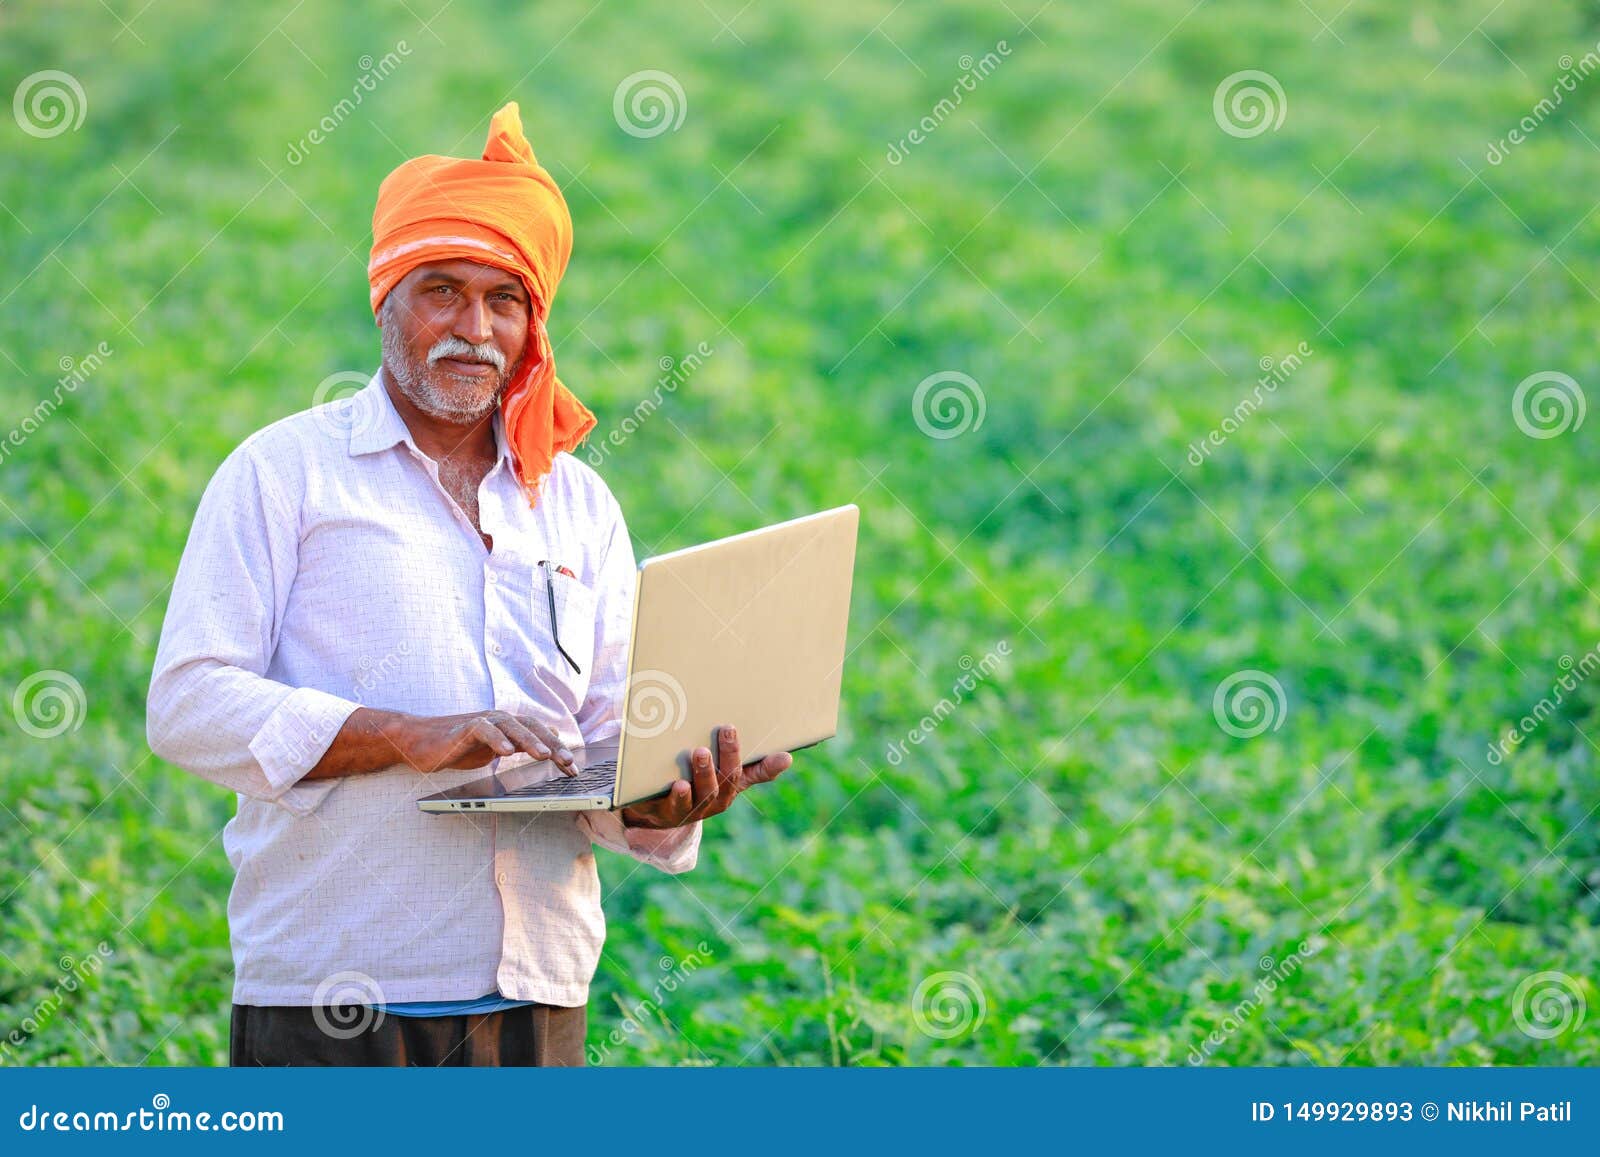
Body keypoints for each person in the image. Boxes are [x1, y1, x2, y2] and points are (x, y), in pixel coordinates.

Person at [146, 102, 792, 1067]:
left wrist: (662, 800)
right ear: (385, 300)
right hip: (338, 994)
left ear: (535, 325)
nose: (474, 328)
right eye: (440, 290)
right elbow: (187, 703)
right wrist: (400, 733)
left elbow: (610, 735)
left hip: (537, 990)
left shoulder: (576, 505)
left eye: (505, 300)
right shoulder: (285, 473)